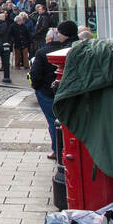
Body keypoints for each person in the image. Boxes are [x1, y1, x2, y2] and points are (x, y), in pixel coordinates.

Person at [30, 21, 77, 158]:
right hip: (64, 91)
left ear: (49, 39)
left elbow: (35, 74)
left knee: (54, 122)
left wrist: (35, 86)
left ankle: (58, 151)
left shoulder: (42, 52)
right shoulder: (68, 47)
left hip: (46, 92)